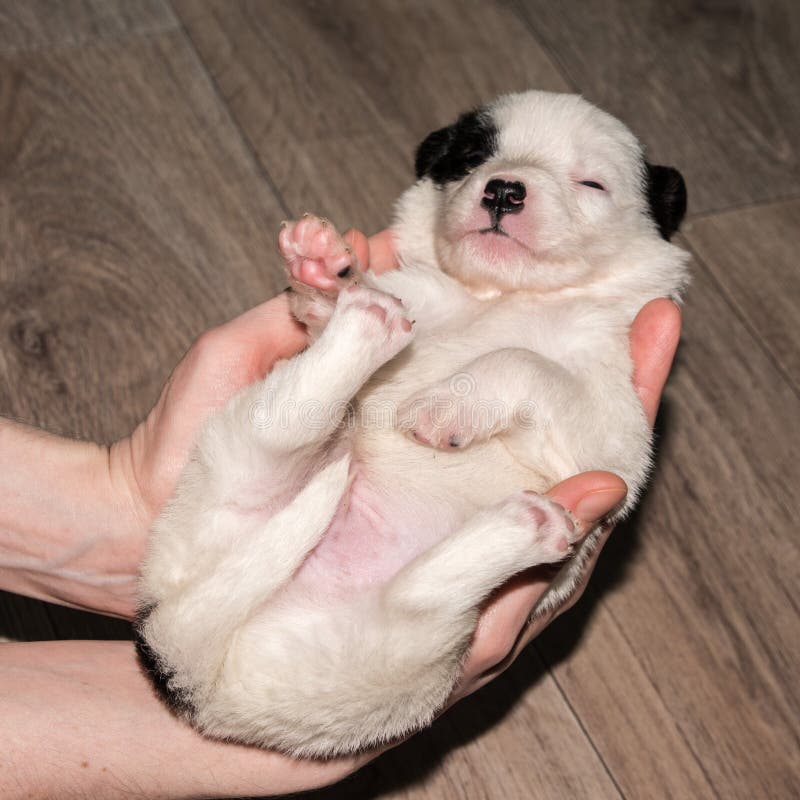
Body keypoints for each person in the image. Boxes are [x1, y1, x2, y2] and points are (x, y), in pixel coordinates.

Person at [0, 229, 681, 799]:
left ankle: (343, 380)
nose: (506, 185)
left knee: (249, 457)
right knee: (395, 630)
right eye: (479, 158)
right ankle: (448, 576)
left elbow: (606, 452)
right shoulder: (437, 287)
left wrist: (123, 498)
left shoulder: (599, 333)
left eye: (590, 182)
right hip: (304, 650)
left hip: (231, 606)